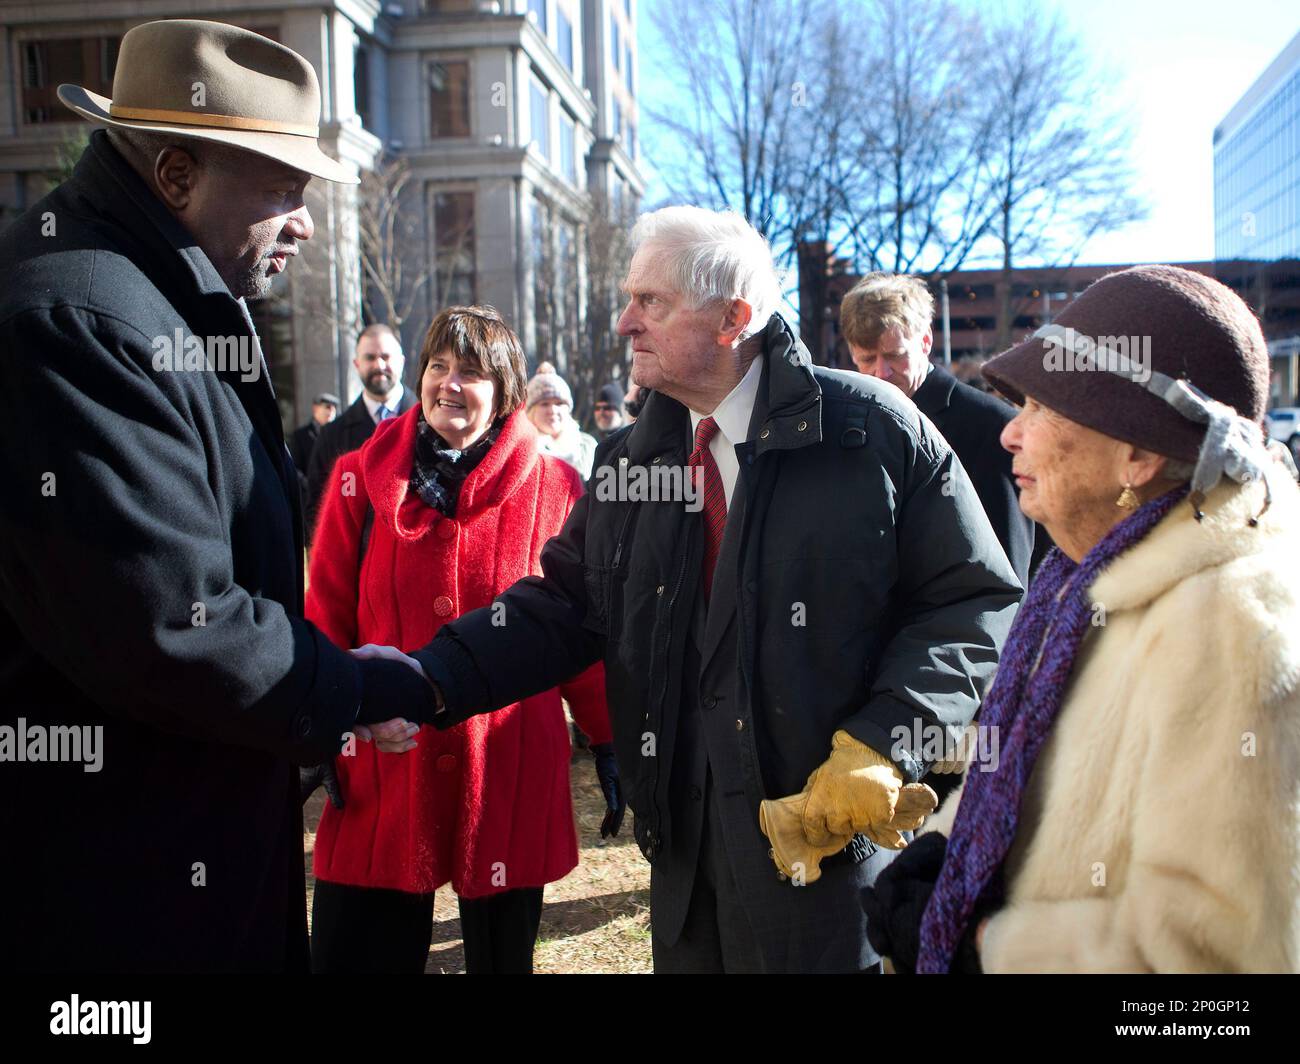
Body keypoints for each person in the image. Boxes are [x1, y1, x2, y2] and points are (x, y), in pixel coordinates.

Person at [362, 206, 1022, 973]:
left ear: (731, 318)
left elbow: (974, 599)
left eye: (652, 303)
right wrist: (429, 676)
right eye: (630, 298)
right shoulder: (635, 460)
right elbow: (567, 605)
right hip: (683, 863)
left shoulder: (873, 431)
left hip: (822, 852)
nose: (624, 322)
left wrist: (887, 740)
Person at [0, 19, 437, 972]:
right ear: (175, 175)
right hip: (116, 898)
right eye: (283, 189)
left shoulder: (167, 296)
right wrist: (350, 685)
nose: (307, 221)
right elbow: (167, 623)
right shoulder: (76, 319)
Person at [862, 265, 1300, 974]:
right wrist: (944, 848)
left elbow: (1217, 981)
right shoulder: (1083, 583)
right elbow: (1025, 787)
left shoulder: (1233, 629)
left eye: (1041, 407)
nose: (1012, 434)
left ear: (1139, 453)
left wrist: (989, 954)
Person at [305, 306, 621, 974]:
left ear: (505, 391)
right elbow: (326, 617)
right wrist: (322, 719)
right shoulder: (357, 481)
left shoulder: (556, 487)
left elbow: (578, 625)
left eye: (471, 372)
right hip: (384, 756)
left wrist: (609, 737)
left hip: (507, 762)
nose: (448, 384)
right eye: (438, 367)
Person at [842, 272, 1044, 586]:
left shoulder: (990, 426)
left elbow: (1007, 570)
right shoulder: (853, 427)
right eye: (867, 359)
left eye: (895, 356)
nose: (880, 372)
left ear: (925, 341)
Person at [306, 324, 417, 535]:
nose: (379, 364)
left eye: (386, 356)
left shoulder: (432, 424)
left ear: (401, 362)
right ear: (357, 364)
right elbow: (317, 509)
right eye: (369, 358)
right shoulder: (333, 436)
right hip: (359, 564)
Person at [525, 362, 598, 479]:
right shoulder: (524, 448)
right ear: (530, 411)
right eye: (544, 404)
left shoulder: (587, 445)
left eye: (559, 403)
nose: (553, 410)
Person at [288, 391, 339, 485]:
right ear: (315, 409)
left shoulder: (340, 435)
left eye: (334, 408)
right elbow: (294, 468)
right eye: (327, 407)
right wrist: (309, 486)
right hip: (310, 494)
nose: (331, 411)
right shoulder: (300, 436)